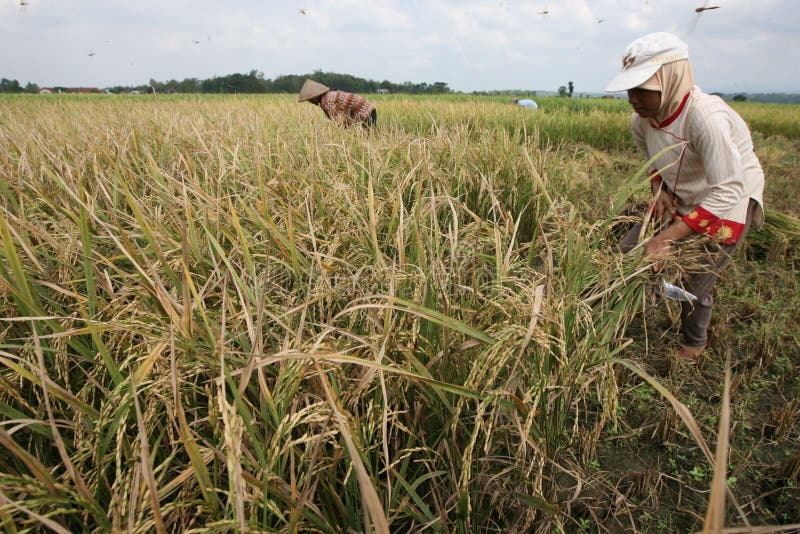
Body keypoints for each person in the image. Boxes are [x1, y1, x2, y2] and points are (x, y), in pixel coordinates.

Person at [606, 32, 764, 360]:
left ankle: (694, 343)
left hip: (728, 200)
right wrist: (659, 189)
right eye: (629, 89)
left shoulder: (705, 117)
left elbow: (728, 187)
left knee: (694, 284)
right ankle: (623, 310)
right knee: (627, 252)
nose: (632, 98)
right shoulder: (642, 122)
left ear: (670, 80)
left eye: (641, 90)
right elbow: (651, 159)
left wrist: (666, 238)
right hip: (683, 193)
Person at [298, 79, 377, 128]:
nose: (310, 102)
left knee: (365, 142)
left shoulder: (326, 101)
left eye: (310, 99)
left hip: (365, 115)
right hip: (369, 111)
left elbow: (339, 121)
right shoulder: (329, 95)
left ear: (315, 97)